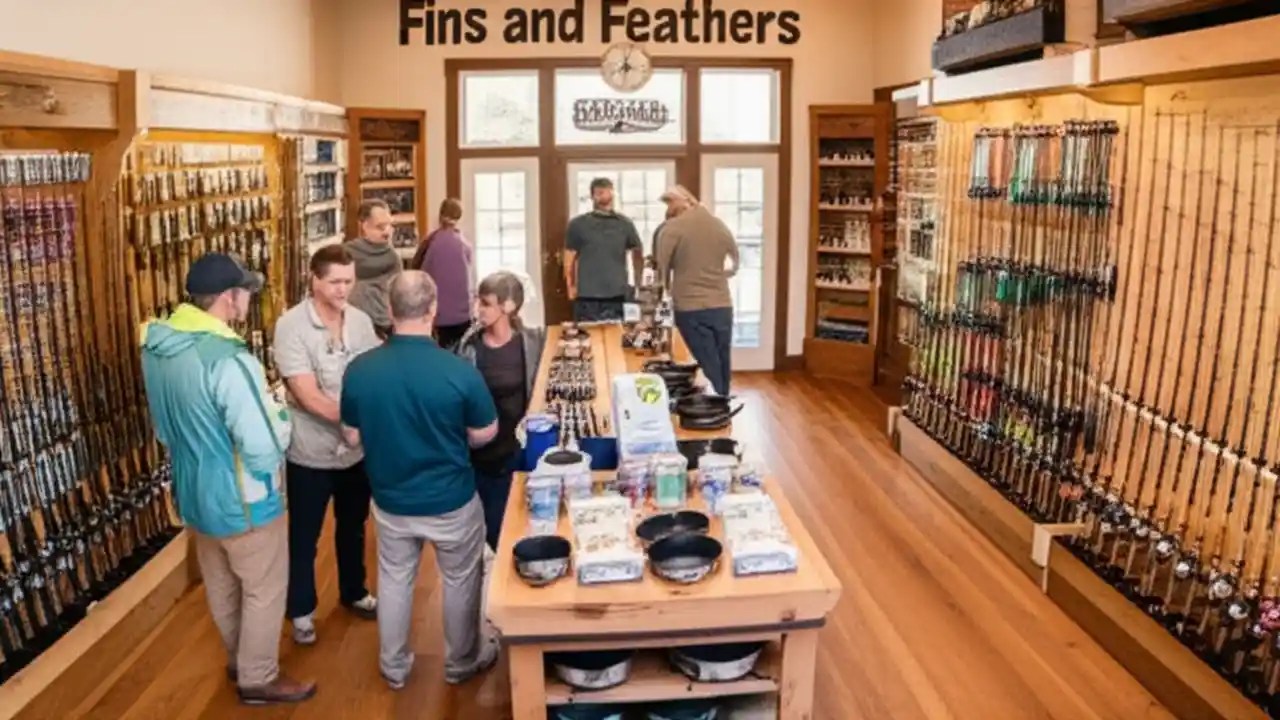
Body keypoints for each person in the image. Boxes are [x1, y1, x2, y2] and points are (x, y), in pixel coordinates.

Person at [139, 253, 315, 705]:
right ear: (227, 297)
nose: (249, 298)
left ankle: (240, 661)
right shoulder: (229, 360)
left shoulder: (157, 348)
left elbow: (162, 428)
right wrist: (282, 419)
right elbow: (262, 443)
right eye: (245, 290)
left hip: (194, 492)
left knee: (221, 583)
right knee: (263, 588)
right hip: (244, 497)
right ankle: (258, 676)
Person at [339, 271, 500, 689]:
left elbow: (351, 435)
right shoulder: (459, 371)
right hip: (451, 500)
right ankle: (461, 662)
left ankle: (394, 667)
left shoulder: (360, 370)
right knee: (461, 579)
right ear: (433, 309)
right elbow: (485, 432)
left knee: (394, 579)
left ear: (390, 310)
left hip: (390, 499)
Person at [272, 245, 380, 647]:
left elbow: (371, 377)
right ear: (314, 280)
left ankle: (354, 590)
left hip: (355, 452)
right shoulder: (290, 326)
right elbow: (306, 394)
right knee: (305, 535)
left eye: (349, 281)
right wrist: (352, 419)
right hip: (310, 452)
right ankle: (301, 609)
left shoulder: (362, 322)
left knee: (354, 527)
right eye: (335, 281)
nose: (343, 289)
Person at [455, 271, 545, 550]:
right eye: (478, 302)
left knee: (527, 526)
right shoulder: (468, 349)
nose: (478, 309)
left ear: (508, 306)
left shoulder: (534, 343)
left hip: (520, 454)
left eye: (486, 303)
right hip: (483, 458)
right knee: (494, 532)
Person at [655, 185, 740, 396]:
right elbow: (735, 263)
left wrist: (664, 294)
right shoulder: (719, 224)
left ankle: (714, 406)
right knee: (722, 359)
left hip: (690, 305)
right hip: (722, 304)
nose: (668, 211)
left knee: (705, 361)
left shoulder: (672, 228)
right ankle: (723, 400)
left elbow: (661, 270)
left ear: (678, 204)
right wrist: (721, 274)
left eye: (669, 206)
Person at [564, 177, 643, 322]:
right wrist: (570, 286)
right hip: (587, 295)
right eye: (600, 193)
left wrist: (638, 283)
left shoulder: (625, 224)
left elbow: (637, 254)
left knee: (618, 332)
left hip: (617, 293)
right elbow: (569, 258)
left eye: (607, 192)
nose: (605, 196)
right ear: (592, 196)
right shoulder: (578, 224)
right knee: (587, 332)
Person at [417, 198, 473, 350]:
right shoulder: (465, 245)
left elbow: (421, 277)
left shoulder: (430, 243)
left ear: (440, 215)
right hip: (463, 315)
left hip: (438, 316)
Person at [346, 198, 402, 338]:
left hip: (385, 327)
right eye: (380, 227)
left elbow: (398, 297)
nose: (387, 232)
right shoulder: (346, 255)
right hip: (353, 328)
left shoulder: (393, 258)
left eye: (389, 226)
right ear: (364, 226)